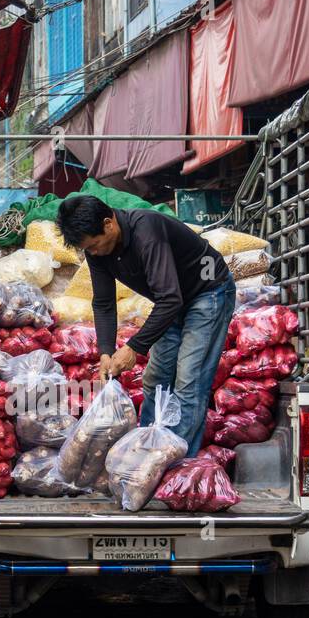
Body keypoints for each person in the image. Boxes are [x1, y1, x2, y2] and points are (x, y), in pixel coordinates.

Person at [57, 195, 235, 456]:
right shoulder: (96, 251)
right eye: (88, 249)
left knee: (189, 379)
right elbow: (104, 302)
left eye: (94, 245)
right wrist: (105, 351)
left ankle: (173, 462)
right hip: (171, 301)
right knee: (156, 377)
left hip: (208, 292)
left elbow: (170, 299)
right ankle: (146, 450)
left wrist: (133, 347)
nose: (93, 253)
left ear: (108, 224)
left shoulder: (146, 231)